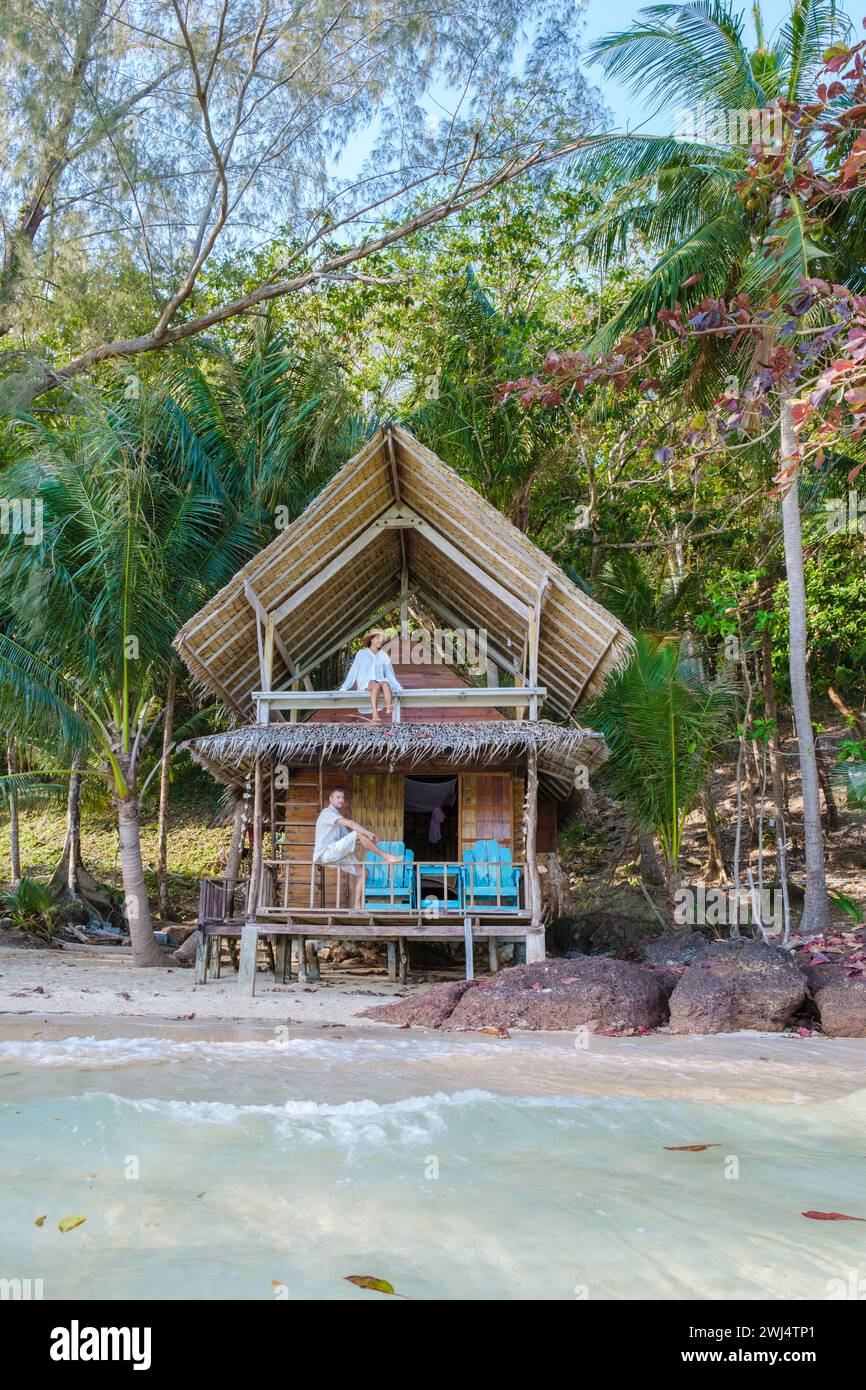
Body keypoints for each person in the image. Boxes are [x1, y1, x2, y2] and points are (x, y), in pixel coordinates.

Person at [313, 788, 403, 909]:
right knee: (358, 834)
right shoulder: (327, 813)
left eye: (343, 798)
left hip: (337, 853)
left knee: (364, 873)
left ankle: (357, 906)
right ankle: (386, 856)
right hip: (326, 853)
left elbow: (352, 840)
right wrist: (368, 833)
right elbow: (351, 824)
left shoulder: (338, 817)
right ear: (331, 799)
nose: (341, 800)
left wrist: (366, 840)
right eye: (338, 797)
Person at [339, 629, 404, 722]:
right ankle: (375, 714)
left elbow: (390, 674)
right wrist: (344, 688)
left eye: (382, 639)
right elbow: (353, 671)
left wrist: (398, 687)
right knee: (375, 685)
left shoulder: (383, 655)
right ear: (371, 640)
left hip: (380, 680)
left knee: (385, 683)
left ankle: (389, 706)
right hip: (366, 683)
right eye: (378, 638)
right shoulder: (361, 654)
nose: (380, 641)